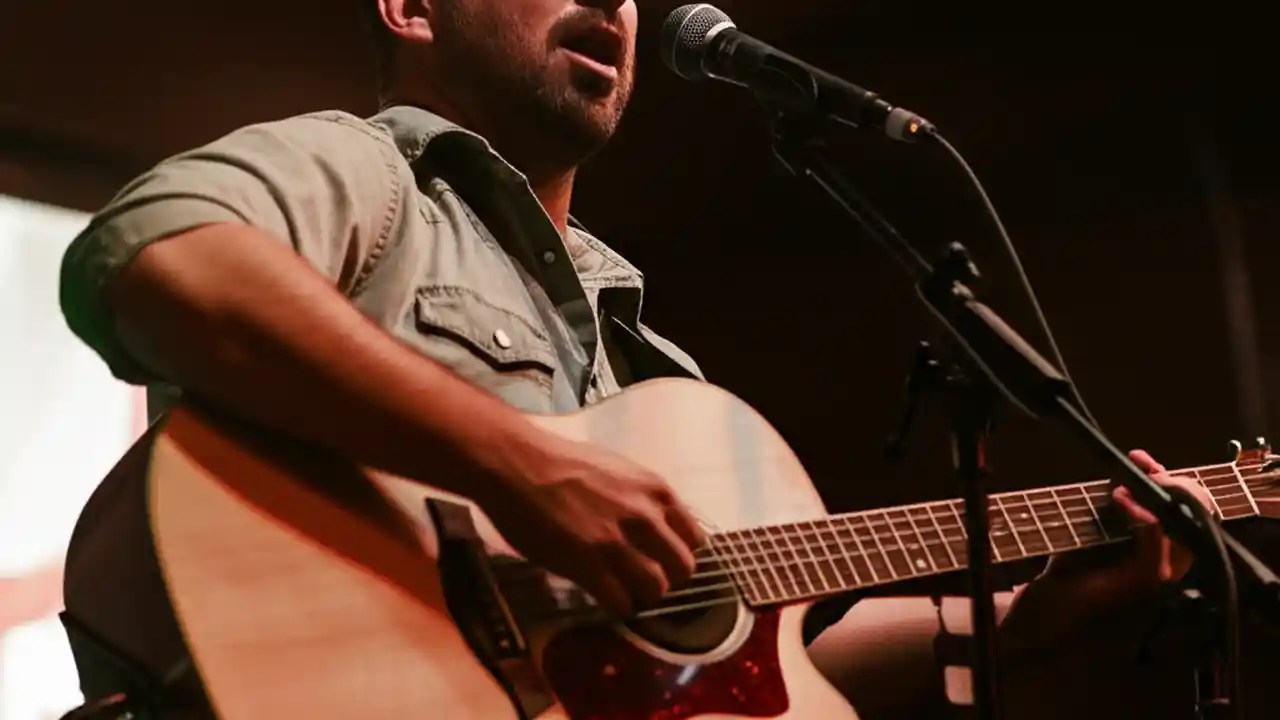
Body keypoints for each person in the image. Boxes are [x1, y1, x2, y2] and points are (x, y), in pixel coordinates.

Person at [56, 0, 1212, 717]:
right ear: (410, 6)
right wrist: (520, 468)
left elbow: (761, 668)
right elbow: (151, 259)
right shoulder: (375, 179)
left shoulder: (659, 370)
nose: (610, 1)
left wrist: (1017, 623)